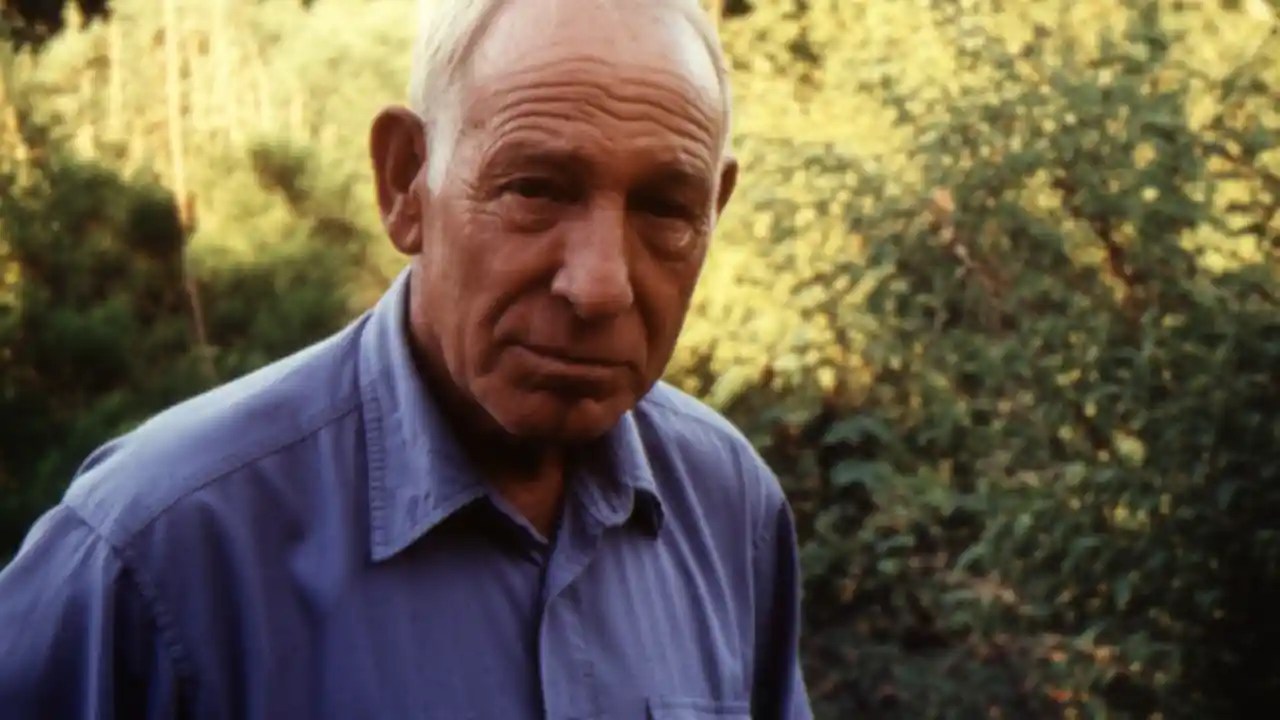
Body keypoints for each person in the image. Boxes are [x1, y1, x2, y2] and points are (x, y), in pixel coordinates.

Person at [0, 0, 813, 717]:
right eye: (535, 188)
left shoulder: (728, 507)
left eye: (666, 209)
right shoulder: (155, 552)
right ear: (405, 182)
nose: (599, 285)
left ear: (716, 209)